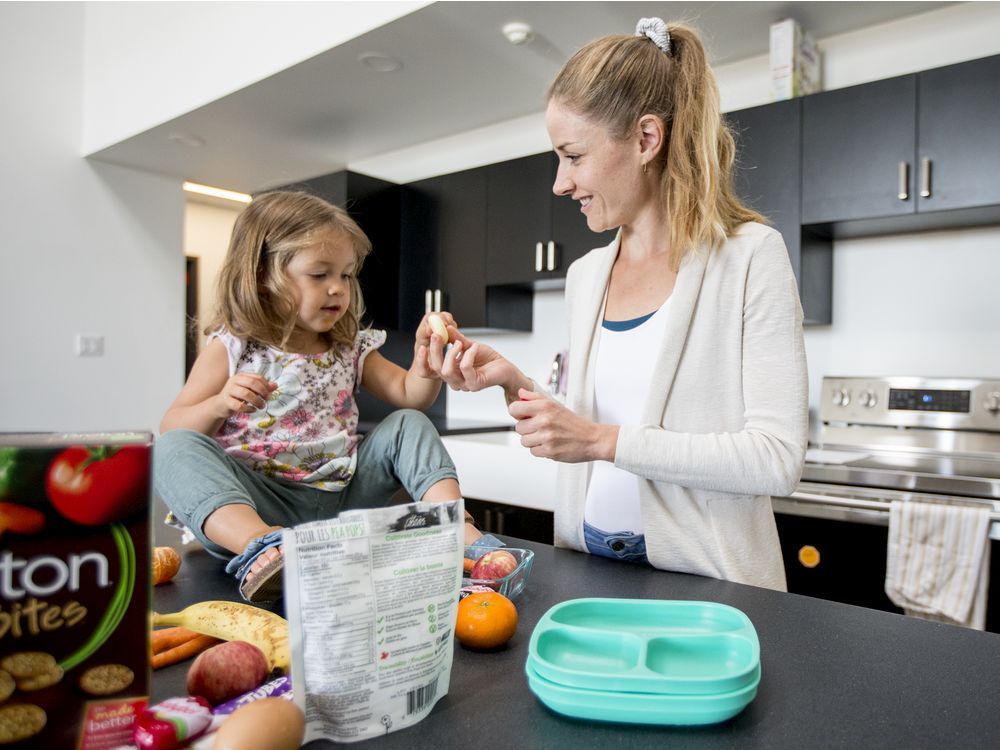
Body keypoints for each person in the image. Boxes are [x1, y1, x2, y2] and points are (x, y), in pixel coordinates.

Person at [430, 18, 807, 591]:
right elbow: (587, 422)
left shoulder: (751, 256)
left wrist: (602, 441)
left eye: (573, 156)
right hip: (587, 560)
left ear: (646, 139)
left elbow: (776, 459)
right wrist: (515, 383)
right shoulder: (586, 275)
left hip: (706, 579)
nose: (559, 183)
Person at [154, 191, 494, 603]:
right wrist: (219, 404)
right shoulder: (234, 347)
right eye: (320, 275)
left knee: (408, 424)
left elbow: (409, 396)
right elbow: (174, 425)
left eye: (346, 275)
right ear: (264, 276)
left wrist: (425, 363)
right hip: (261, 503)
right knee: (172, 447)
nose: (337, 289)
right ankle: (263, 547)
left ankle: (455, 527)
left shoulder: (349, 345)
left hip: (344, 502)